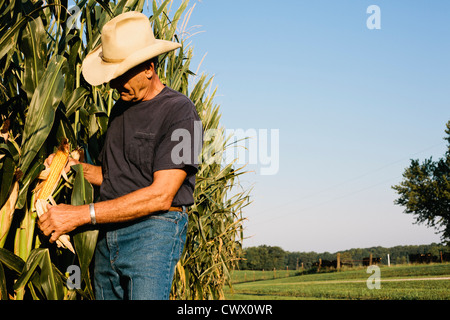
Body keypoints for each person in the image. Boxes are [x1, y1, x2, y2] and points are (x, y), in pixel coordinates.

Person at [38, 11, 202, 300]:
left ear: (150, 68)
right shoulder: (120, 110)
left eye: (122, 75)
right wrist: (74, 168)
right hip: (106, 233)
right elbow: (115, 176)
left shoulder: (180, 112)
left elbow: (161, 195)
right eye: (112, 76)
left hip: (152, 233)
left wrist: (81, 215)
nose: (114, 85)